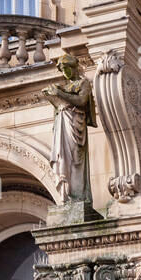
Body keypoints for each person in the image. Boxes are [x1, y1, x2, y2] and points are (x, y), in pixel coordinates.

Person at [43, 52, 96, 204]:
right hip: (63, 122)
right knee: (64, 158)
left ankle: (78, 195)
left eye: (66, 69)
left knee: (76, 158)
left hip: (75, 124)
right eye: (61, 70)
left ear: (73, 68)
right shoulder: (64, 87)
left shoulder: (83, 83)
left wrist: (59, 93)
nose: (64, 73)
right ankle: (66, 194)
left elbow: (80, 100)